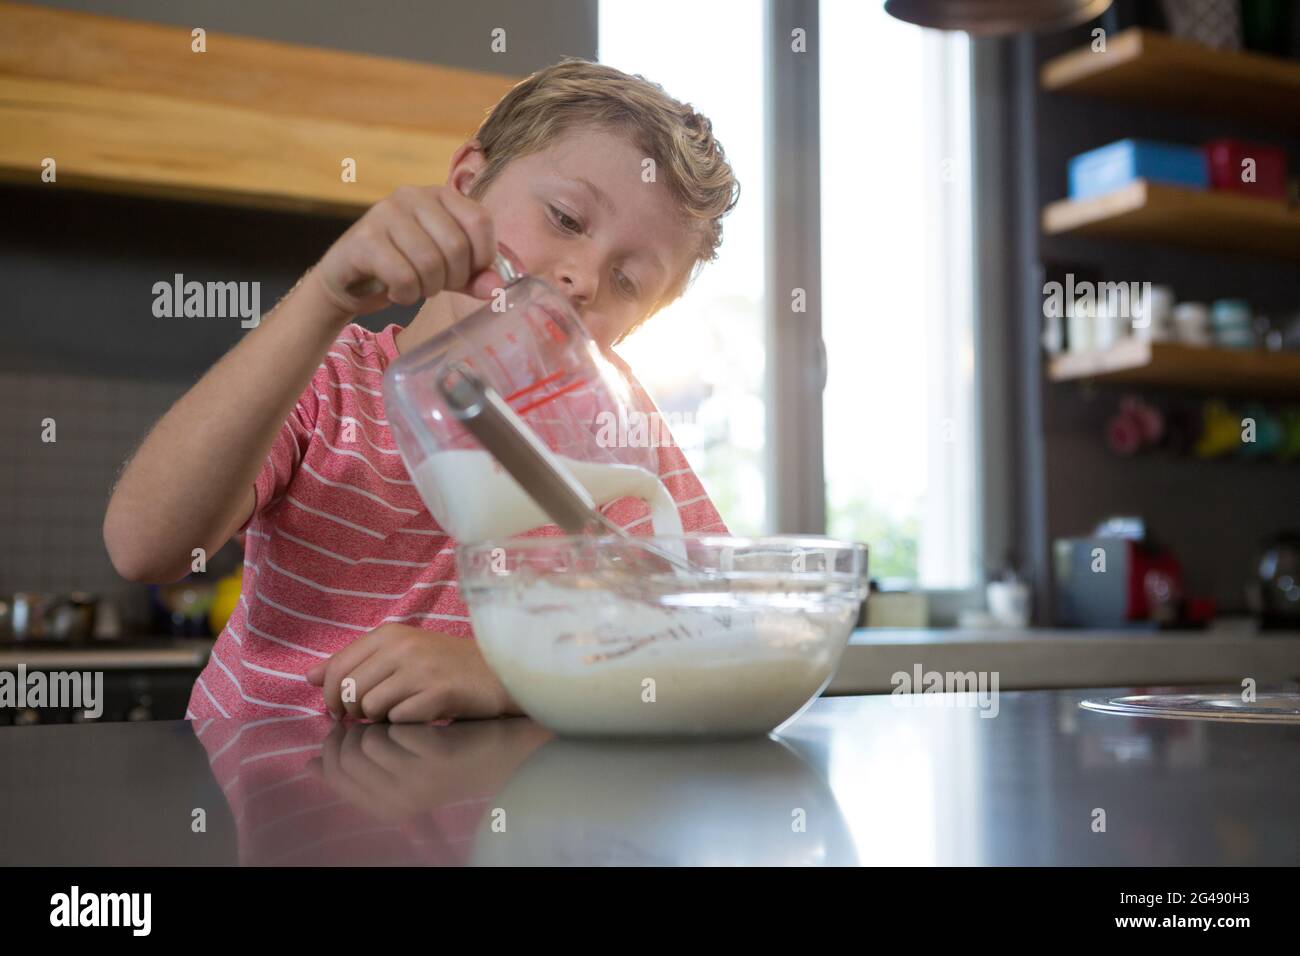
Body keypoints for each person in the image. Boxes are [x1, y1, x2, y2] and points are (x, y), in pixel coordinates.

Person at [104, 58, 738, 723]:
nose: (583, 277)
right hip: (265, 793)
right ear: (467, 185)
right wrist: (324, 298)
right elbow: (146, 547)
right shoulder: (332, 383)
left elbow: (714, 631)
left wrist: (510, 673)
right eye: (566, 219)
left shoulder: (615, 431)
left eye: (629, 281)